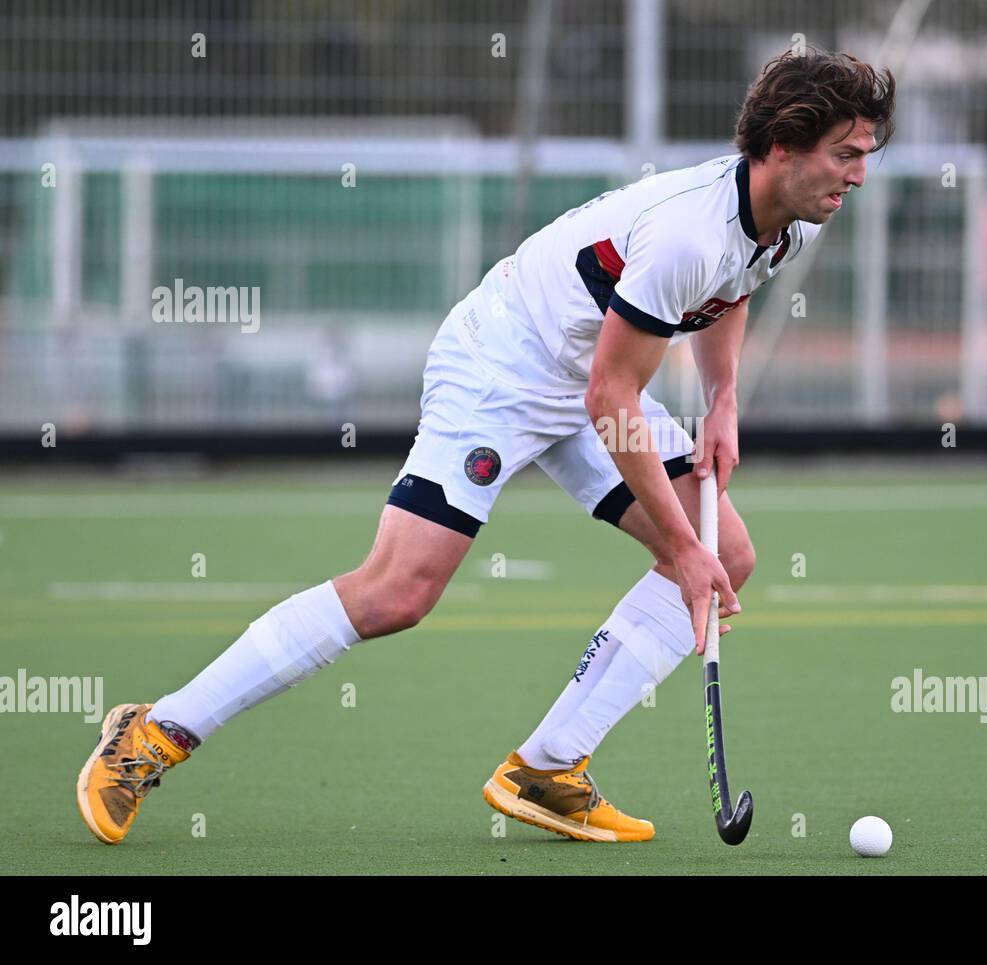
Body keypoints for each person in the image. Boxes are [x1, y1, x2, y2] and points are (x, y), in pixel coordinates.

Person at [76, 46, 895, 845]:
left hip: (588, 374)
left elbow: (728, 294)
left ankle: (547, 767)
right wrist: (681, 547)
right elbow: (613, 396)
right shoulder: (687, 231)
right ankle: (155, 732)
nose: (859, 174)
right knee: (399, 591)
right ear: (782, 148)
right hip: (501, 368)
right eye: (845, 154)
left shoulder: (792, 218)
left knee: (731, 554)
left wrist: (722, 399)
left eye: (865, 155)